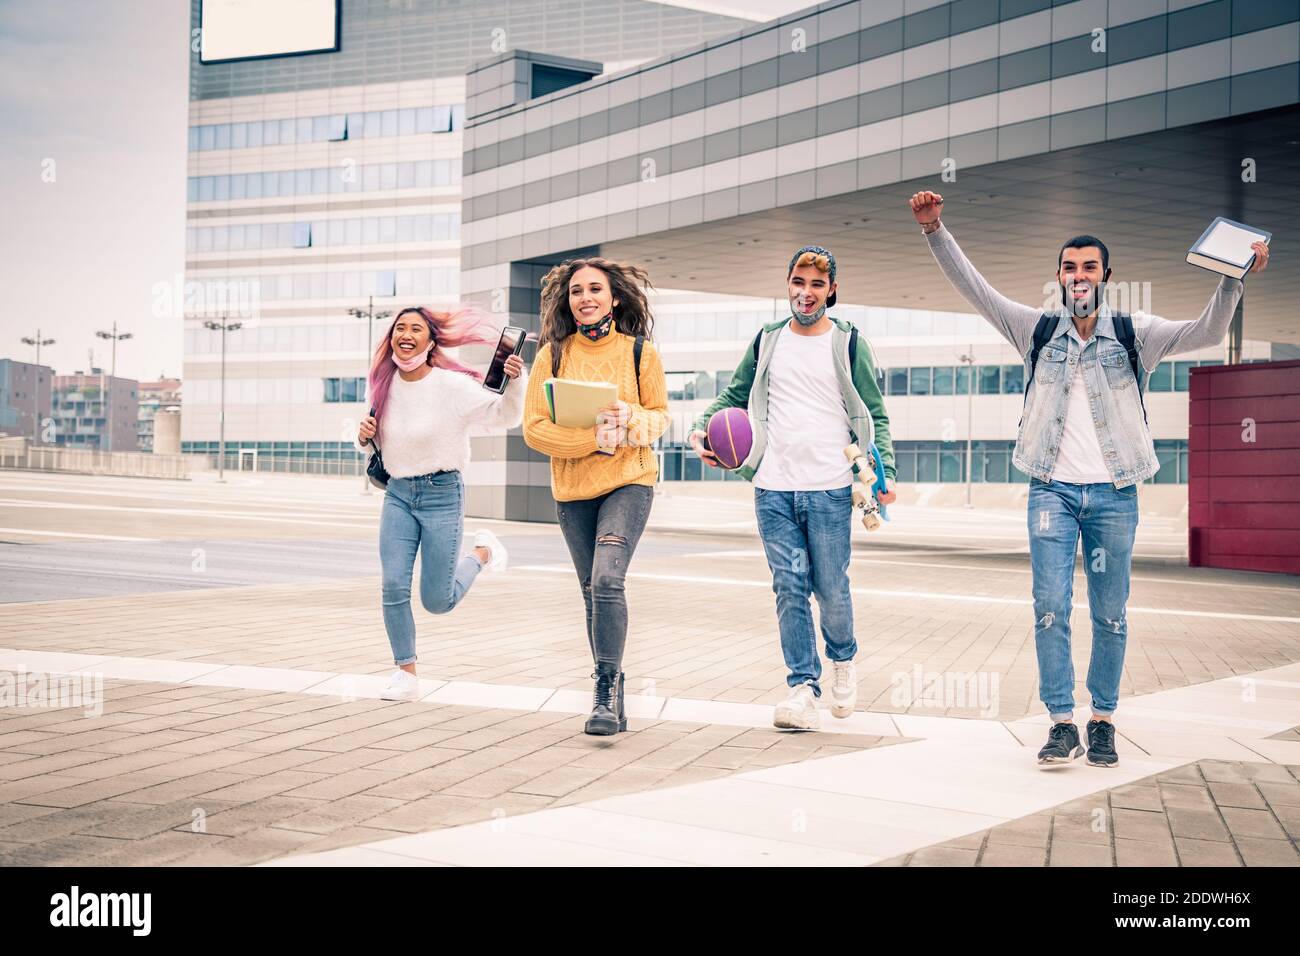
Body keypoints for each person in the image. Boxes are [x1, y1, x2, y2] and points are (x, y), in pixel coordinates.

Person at [909, 189, 1270, 767]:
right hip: (1050, 489)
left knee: (1111, 612)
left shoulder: (1135, 333)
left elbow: (1206, 332)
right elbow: (975, 289)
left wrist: (1233, 278)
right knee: (1049, 605)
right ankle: (1059, 722)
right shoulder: (1035, 329)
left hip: (1115, 493)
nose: (1079, 275)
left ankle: (1102, 720)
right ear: (1058, 276)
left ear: (1106, 276)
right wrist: (935, 231)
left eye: (1090, 267)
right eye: (1070, 267)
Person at [690, 245, 896, 731]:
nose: (806, 293)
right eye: (798, 283)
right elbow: (732, 395)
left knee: (831, 587)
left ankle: (843, 658)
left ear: (832, 290)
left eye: (816, 285)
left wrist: (883, 473)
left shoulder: (848, 344)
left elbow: (874, 412)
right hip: (772, 486)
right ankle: (803, 686)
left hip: (829, 487)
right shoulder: (767, 340)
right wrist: (701, 427)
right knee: (789, 586)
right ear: (788, 285)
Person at [522, 257, 669, 735]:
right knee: (591, 592)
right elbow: (534, 430)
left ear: (615, 298)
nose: (584, 298)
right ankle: (614, 698)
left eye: (594, 290)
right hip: (573, 491)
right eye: (576, 291)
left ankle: (603, 690)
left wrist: (630, 420)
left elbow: (660, 418)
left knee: (607, 580)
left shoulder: (640, 353)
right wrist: (591, 440)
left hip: (629, 481)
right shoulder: (552, 356)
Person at [356, 306, 525, 701]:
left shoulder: (450, 386)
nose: (406, 333)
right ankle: (406, 673)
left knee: (438, 601)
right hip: (398, 494)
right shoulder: (382, 384)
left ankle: (483, 553)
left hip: (442, 495)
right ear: (392, 337)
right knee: (393, 585)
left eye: (416, 328)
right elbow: (375, 440)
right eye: (400, 327)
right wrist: (363, 435)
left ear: (431, 342)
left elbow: (505, 415)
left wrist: (516, 382)